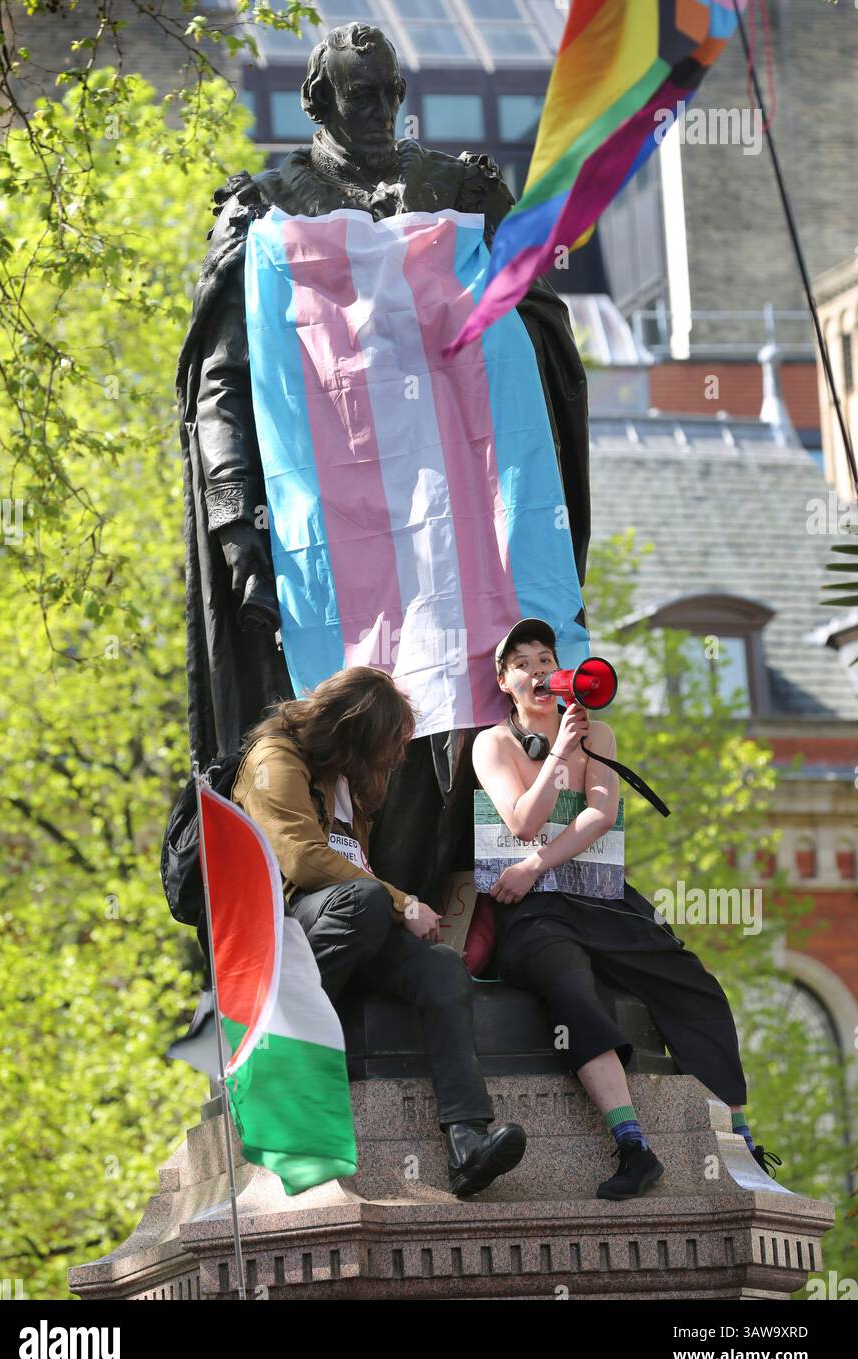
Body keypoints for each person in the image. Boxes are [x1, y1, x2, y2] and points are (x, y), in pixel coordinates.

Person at [175, 20, 590, 915]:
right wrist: (235, 523)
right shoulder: (266, 203)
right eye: (359, 96)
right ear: (317, 100)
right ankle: (374, 923)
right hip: (327, 541)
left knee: (482, 716)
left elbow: (541, 335)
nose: (379, 111)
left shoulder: (461, 189)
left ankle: (495, 926)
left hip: (465, 515)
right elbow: (219, 383)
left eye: (391, 94)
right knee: (361, 733)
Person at [471, 618, 781, 1200]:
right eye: (522, 663)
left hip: (597, 894)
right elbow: (522, 820)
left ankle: (741, 1147)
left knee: (694, 983)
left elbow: (601, 814)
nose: (537, 671)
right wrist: (560, 752)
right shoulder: (493, 743)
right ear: (504, 680)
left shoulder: (599, 733)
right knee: (570, 991)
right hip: (533, 910)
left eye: (545, 659)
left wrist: (538, 861)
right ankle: (633, 1145)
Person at [231, 664, 527, 1198]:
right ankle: (282, 1048)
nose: (395, 757)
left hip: (345, 926)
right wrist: (403, 902)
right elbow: (302, 860)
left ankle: (467, 1141)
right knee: (367, 899)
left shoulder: (345, 778)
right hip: (285, 935)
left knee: (439, 966)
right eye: (389, 743)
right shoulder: (274, 759)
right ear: (354, 732)